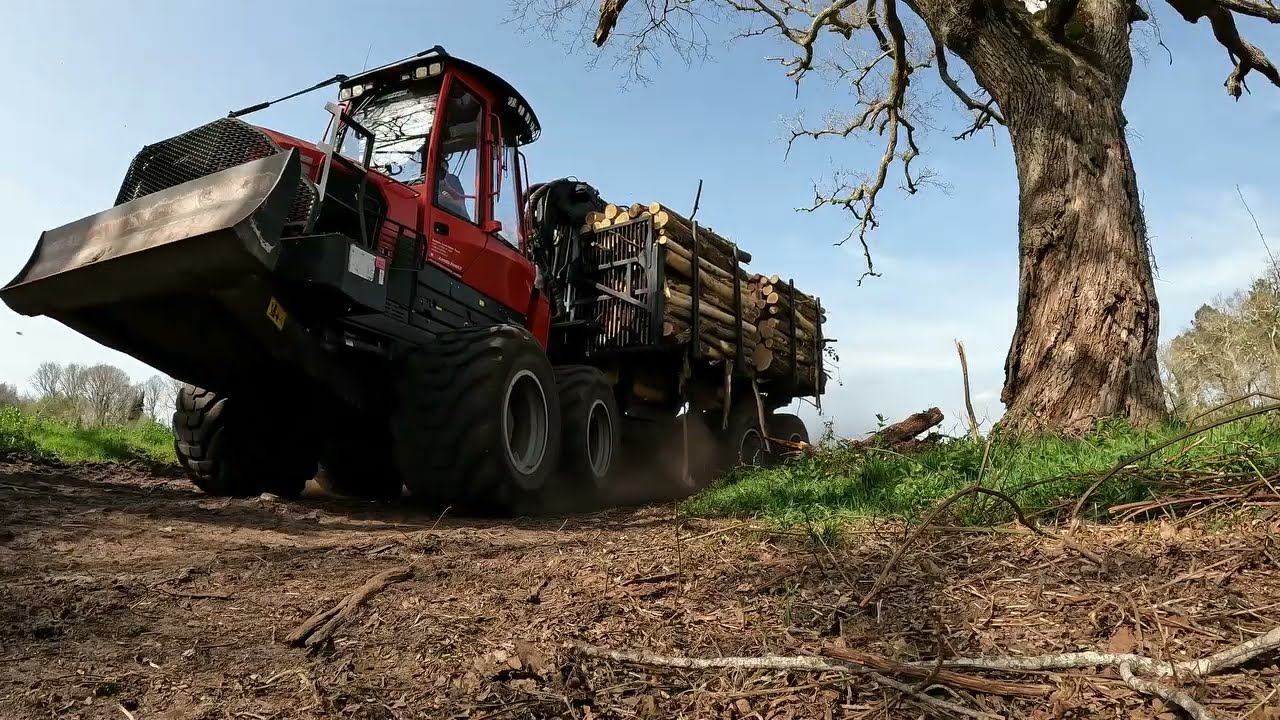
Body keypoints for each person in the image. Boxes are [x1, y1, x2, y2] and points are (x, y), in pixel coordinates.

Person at [435, 153, 470, 221]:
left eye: (444, 171)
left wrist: (450, 200)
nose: (443, 174)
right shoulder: (418, 182)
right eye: (440, 171)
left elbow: (461, 205)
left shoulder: (452, 179)